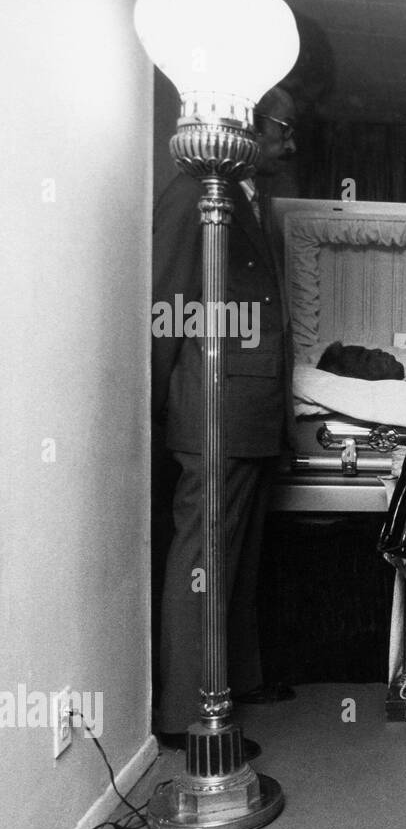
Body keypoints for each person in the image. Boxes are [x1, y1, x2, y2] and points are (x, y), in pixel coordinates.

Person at [152, 86, 300, 753]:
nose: (290, 143)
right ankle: (189, 713)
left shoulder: (250, 206)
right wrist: (152, 414)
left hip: (251, 410)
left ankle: (237, 679)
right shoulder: (193, 195)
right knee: (204, 562)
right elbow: (165, 306)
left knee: (236, 560)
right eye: (282, 129)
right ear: (246, 124)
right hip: (213, 407)